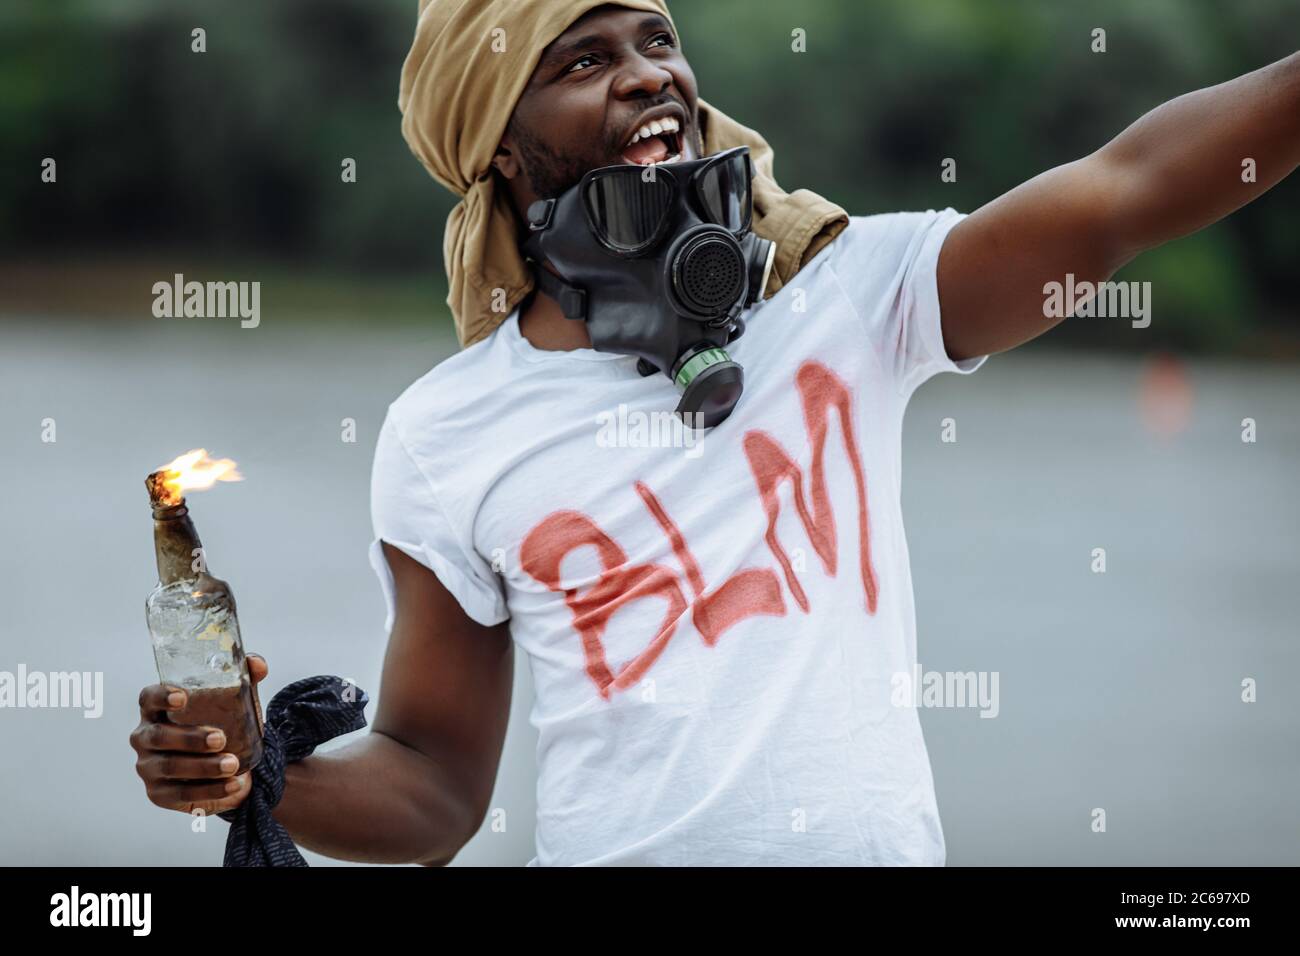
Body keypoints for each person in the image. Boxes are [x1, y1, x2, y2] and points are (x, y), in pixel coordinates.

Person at [131, 1, 1300, 865]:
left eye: (656, 42)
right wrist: (257, 775)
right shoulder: (447, 431)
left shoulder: (851, 299)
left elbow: (1123, 192)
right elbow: (435, 786)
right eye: (586, 60)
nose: (649, 76)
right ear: (496, 140)